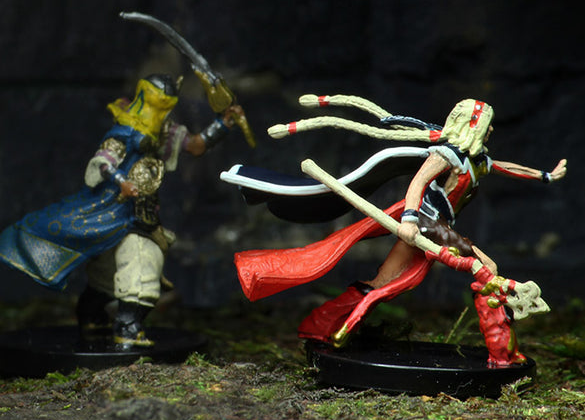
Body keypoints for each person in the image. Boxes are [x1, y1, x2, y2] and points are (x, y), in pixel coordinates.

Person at [234, 96, 567, 367]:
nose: (492, 129)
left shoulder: (477, 159)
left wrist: (545, 176)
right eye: (487, 123)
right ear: (474, 125)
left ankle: (321, 325)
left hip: (438, 228)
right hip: (428, 223)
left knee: (384, 284)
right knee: (487, 271)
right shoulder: (446, 155)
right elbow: (418, 183)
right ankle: (501, 354)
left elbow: (506, 167)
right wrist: (408, 219)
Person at [0, 74, 242, 350]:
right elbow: (102, 162)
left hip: (141, 215)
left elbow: (195, 144)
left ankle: (93, 316)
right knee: (139, 265)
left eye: (166, 104)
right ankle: (126, 326)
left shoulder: (165, 132)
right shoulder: (124, 132)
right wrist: (121, 181)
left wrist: (223, 123)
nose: (160, 110)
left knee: (114, 271)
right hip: (112, 212)